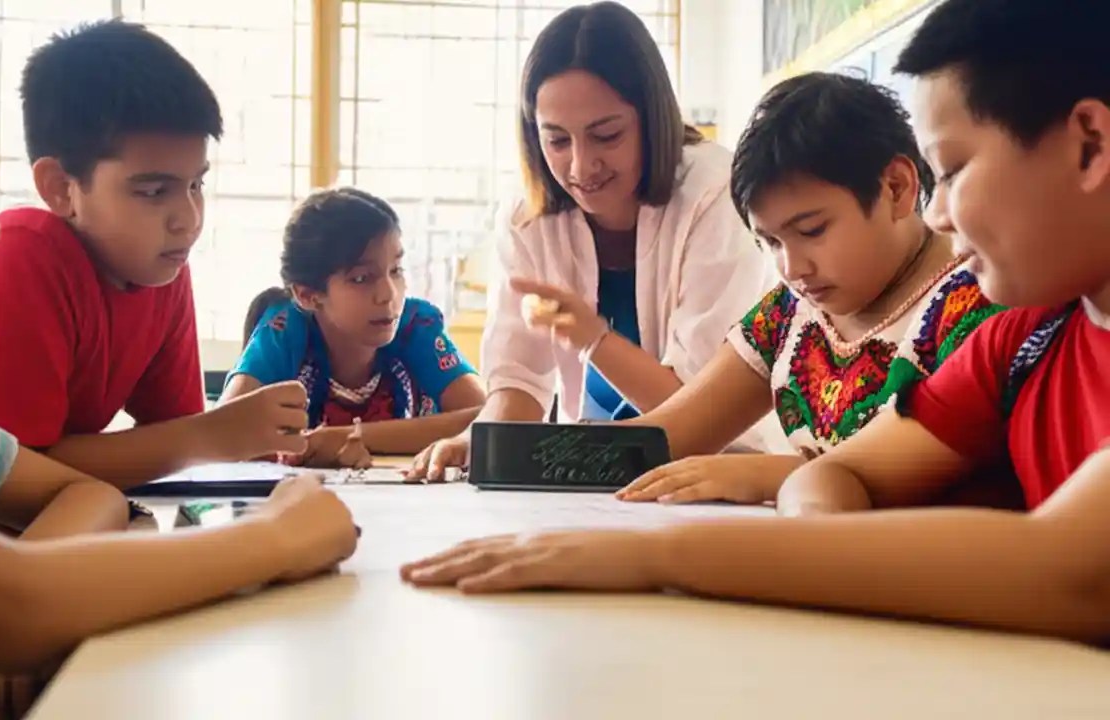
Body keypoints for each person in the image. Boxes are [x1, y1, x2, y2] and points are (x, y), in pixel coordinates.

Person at [400, 0, 1110, 643]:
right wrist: (500, 450)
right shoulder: (1023, 336)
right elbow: (828, 477)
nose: (940, 212)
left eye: (952, 172)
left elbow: (1073, 570)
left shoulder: (979, 310)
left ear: (1090, 143)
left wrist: (655, 554)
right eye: (771, 241)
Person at [0, 3, 356, 717]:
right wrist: (278, 536)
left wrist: (24, 593)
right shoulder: (20, 258)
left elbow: (84, 499)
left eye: (196, 183)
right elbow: (9, 601)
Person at [408, 1, 779, 480]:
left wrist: (593, 338)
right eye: (557, 141)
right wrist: (480, 440)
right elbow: (519, 379)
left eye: (606, 135)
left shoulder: (715, 194)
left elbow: (701, 414)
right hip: (590, 477)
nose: (581, 168)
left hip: (719, 472)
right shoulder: (528, 216)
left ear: (652, 118)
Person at [0, 20, 303, 486]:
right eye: (152, 191)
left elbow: (171, 432)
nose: (187, 218)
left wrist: (212, 436)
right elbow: (1, 478)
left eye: (196, 184)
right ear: (61, 188)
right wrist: (211, 436)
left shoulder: (158, 267)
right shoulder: (19, 254)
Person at [616, 72, 1003, 505]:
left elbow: (915, 480)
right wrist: (535, 452)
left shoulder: (983, 298)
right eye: (771, 242)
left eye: (812, 230)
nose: (792, 267)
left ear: (896, 187)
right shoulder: (792, 309)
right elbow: (668, 434)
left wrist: (766, 474)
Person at [223, 188, 486, 466]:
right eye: (362, 278)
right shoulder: (284, 329)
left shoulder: (414, 327)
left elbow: (486, 419)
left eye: (395, 270)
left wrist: (353, 436)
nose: (388, 294)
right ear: (308, 295)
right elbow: (224, 429)